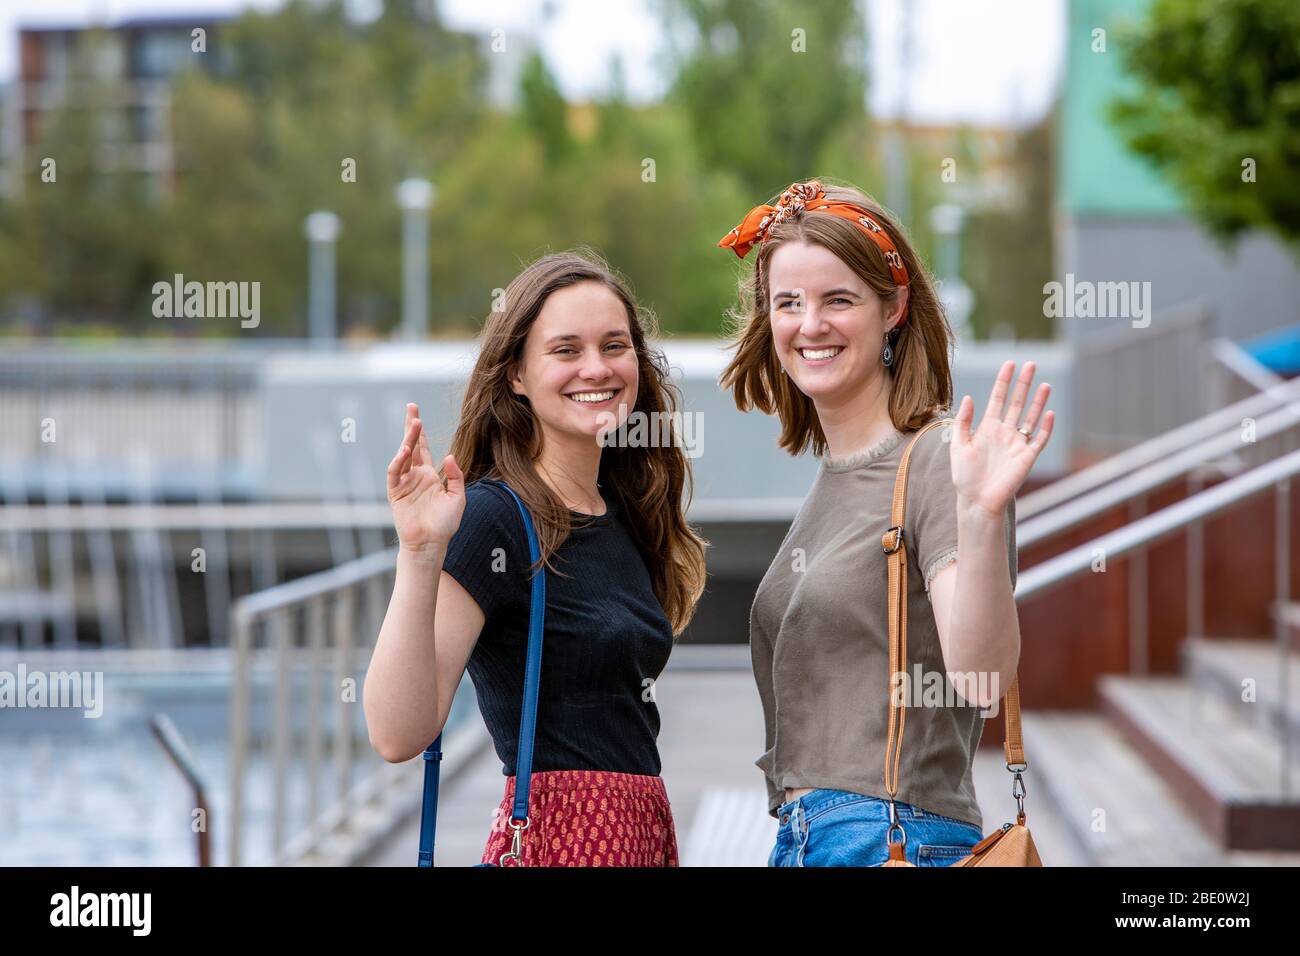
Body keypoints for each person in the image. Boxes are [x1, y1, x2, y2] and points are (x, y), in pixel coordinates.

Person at [717, 179, 1053, 866]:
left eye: (838, 300)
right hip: (808, 838)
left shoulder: (933, 460)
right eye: (788, 302)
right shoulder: (834, 479)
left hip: (890, 836)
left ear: (893, 308)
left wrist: (982, 519)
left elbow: (982, 681)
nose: (810, 324)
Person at [364, 249, 707, 866]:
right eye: (566, 350)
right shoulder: (494, 518)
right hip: (564, 842)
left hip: (640, 836)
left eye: (614, 345)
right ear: (517, 374)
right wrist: (419, 553)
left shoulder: (623, 511)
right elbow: (396, 733)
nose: (596, 368)